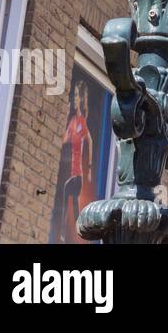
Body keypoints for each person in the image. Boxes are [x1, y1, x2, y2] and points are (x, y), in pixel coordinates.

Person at [60, 81, 93, 239]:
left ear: (81, 99)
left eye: (77, 96)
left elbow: (90, 141)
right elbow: (64, 140)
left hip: (78, 175)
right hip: (72, 173)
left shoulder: (81, 122)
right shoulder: (73, 121)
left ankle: (72, 231)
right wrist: (66, 115)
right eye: (74, 96)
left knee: (68, 194)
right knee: (68, 199)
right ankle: (73, 232)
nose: (75, 100)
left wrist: (90, 169)